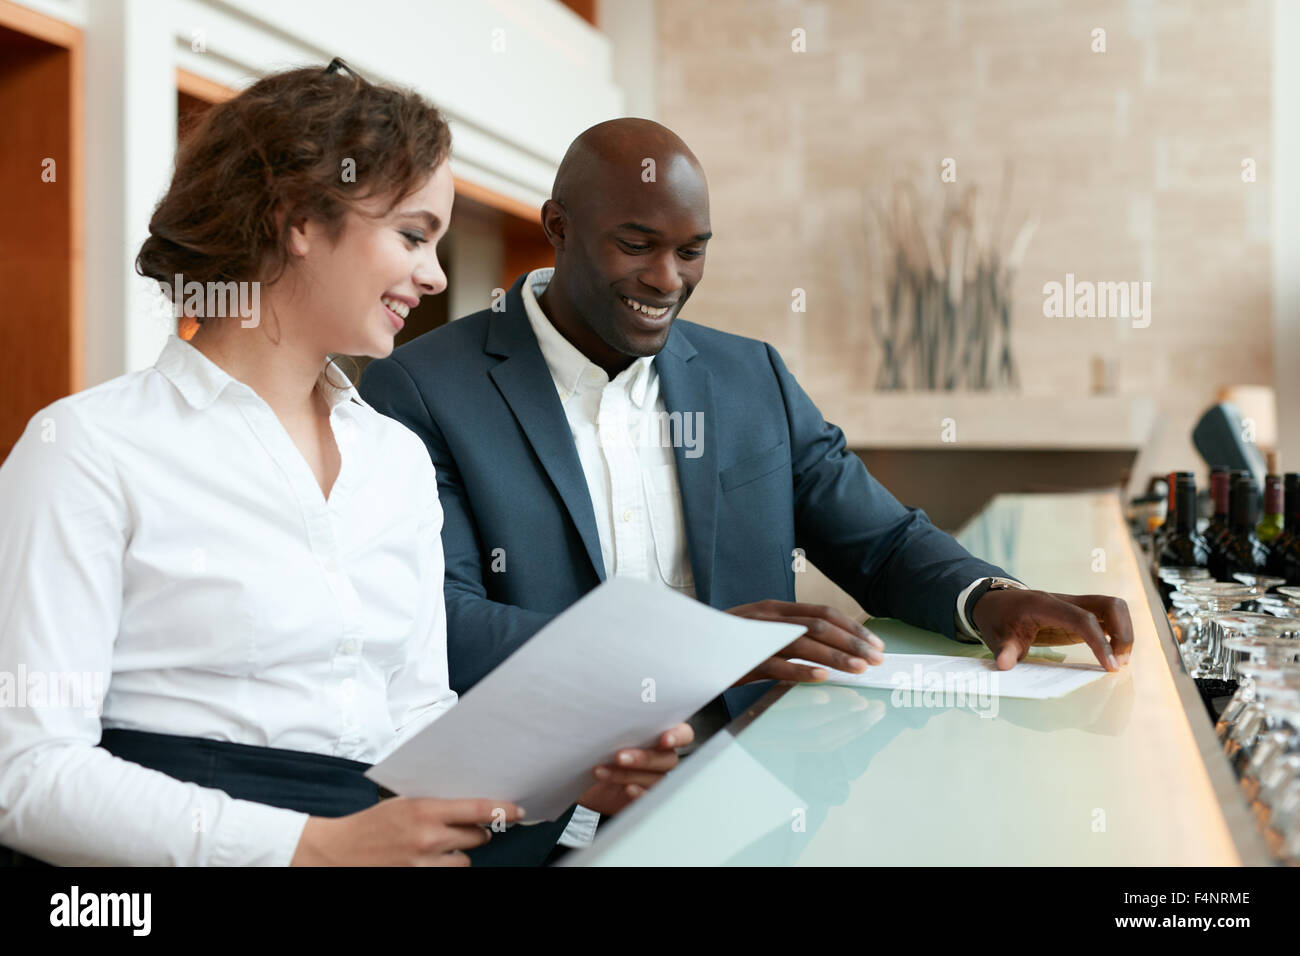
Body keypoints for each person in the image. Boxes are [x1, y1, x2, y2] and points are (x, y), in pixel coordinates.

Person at [357, 117, 1136, 854]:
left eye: (692, 251)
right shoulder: (422, 387)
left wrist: (994, 599)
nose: (666, 278)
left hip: (756, 799)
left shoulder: (749, 376)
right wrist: (707, 648)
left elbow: (882, 541)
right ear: (557, 228)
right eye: (637, 245)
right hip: (552, 820)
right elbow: (444, 622)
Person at [0, 66, 689, 868]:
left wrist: (567, 780)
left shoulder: (393, 458)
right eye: (412, 233)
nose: (434, 275)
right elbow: (26, 775)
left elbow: (412, 726)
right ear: (298, 222)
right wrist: (312, 848)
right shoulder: (87, 449)